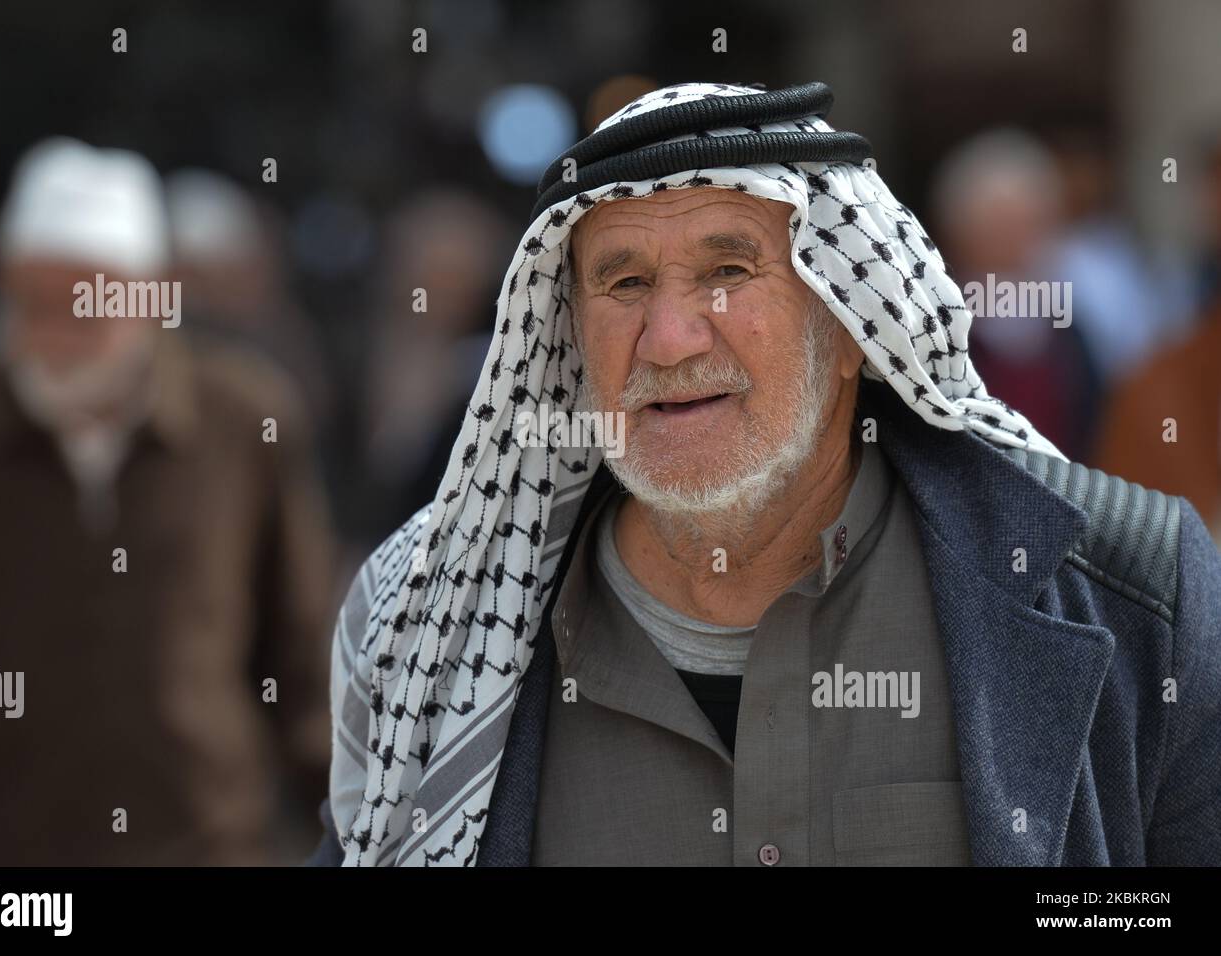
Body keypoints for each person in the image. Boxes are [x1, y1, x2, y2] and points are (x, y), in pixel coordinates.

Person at [312, 82, 1221, 866]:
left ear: (851, 330)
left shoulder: (1132, 596)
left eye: (729, 269)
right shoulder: (426, 622)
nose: (669, 339)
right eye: (623, 284)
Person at [0, 138, 336, 864]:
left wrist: (351, 830)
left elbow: (301, 659)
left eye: (87, 301)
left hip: (201, 850)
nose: (56, 331)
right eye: (33, 300)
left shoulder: (240, 420)